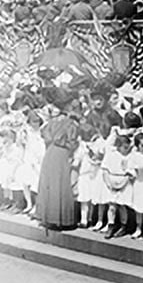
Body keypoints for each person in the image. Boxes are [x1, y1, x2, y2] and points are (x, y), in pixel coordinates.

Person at [36, 88, 81, 230]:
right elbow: (72, 142)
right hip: (62, 153)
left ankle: (48, 217)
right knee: (61, 184)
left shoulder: (51, 122)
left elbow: (45, 136)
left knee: (49, 183)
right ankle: (60, 218)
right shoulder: (71, 123)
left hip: (50, 152)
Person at [100, 134, 136, 238]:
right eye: (124, 147)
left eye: (128, 147)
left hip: (124, 181)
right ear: (118, 146)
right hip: (112, 181)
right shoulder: (111, 155)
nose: (126, 149)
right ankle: (111, 225)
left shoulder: (130, 156)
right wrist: (108, 183)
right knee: (112, 206)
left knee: (122, 206)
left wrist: (125, 181)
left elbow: (132, 172)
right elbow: (105, 170)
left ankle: (123, 226)